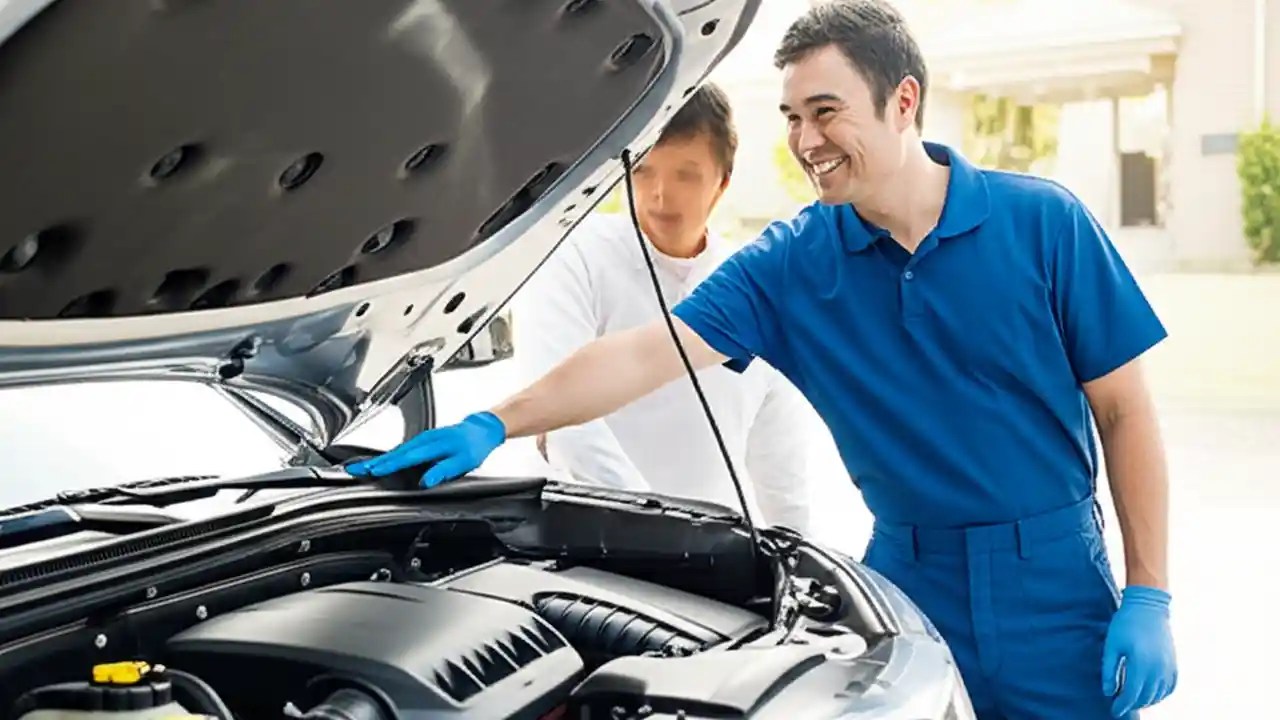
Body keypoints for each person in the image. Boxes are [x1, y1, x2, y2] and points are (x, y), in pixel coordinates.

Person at [347, 2, 1177, 718]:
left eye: (826, 112)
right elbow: (641, 356)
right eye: (791, 117)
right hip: (910, 580)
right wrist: (495, 422)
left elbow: (1124, 412)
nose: (805, 141)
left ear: (903, 101)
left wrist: (1148, 593)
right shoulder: (792, 264)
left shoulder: (1044, 224)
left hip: (1054, 583)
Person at [510, 84, 814, 532]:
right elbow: (564, 420)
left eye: (685, 175)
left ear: (722, 183)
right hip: (586, 542)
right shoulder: (574, 256)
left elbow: (780, 456)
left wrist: (797, 547)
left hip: (712, 551)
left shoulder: (753, 284)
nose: (660, 194)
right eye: (643, 171)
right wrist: (658, 528)